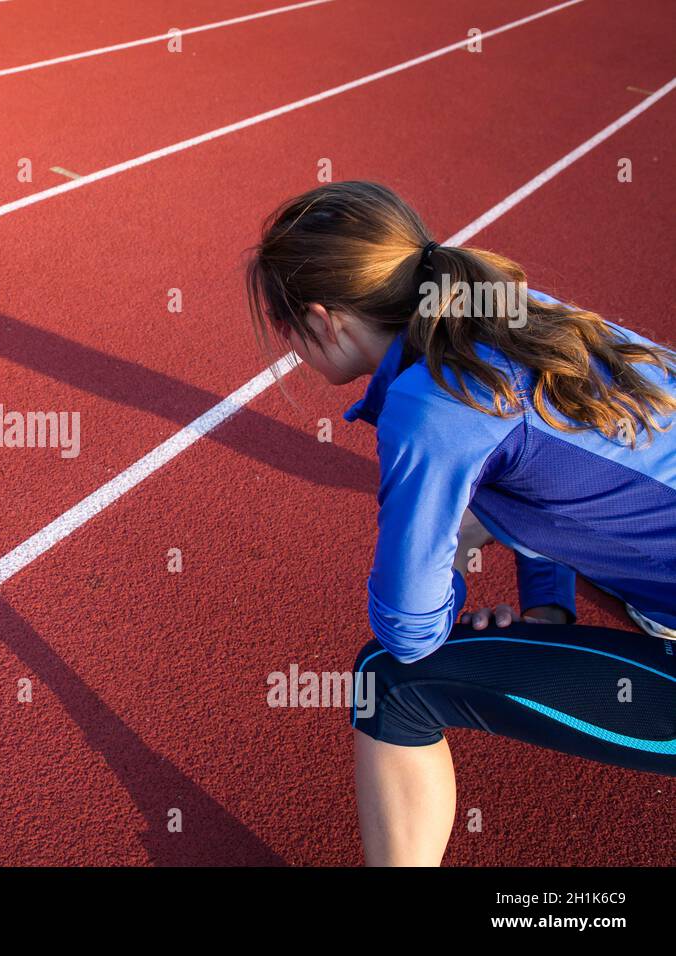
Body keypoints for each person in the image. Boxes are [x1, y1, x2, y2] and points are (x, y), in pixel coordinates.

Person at [246, 181, 676, 865]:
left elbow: (409, 631)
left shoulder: (430, 405)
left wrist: (446, 580)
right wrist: (547, 609)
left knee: (390, 682)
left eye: (289, 332)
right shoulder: (514, 315)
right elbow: (552, 464)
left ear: (325, 322)